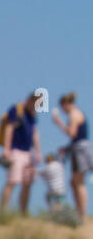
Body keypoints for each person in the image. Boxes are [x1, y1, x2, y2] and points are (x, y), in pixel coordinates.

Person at [0, 93, 40, 216]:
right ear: (29, 100)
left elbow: (35, 133)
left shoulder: (32, 115)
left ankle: (23, 213)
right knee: (12, 181)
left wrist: (38, 151)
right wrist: (6, 149)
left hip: (28, 153)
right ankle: (3, 211)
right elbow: (9, 128)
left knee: (27, 183)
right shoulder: (16, 110)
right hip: (15, 151)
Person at [53, 92, 90, 223]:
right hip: (79, 148)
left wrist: (59, 123)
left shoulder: (73, 114)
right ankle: (79, 212)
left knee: (78, 183)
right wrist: (67, 148)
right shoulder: (76, 113)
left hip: (80, 151)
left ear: (65, 104)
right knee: (74, 183)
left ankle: (81, 215)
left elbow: (72, 133)